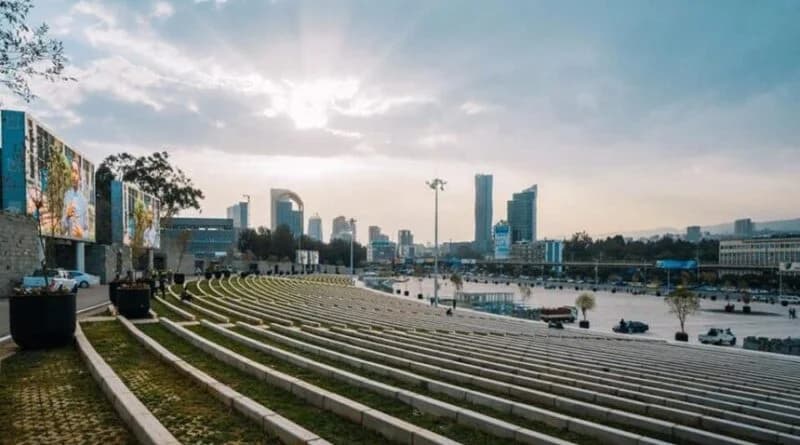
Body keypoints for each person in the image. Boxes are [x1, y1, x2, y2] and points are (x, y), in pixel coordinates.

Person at [62, 160, 88, 239]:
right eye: (71, 172)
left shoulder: (84, 200)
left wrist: (82, 234)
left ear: (79, 176)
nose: (73, 175)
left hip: (80, 244)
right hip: (67, 242)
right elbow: (62, 228)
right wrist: (67, 216)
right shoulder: (66, 195)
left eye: (75, 172)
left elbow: (88, 230)